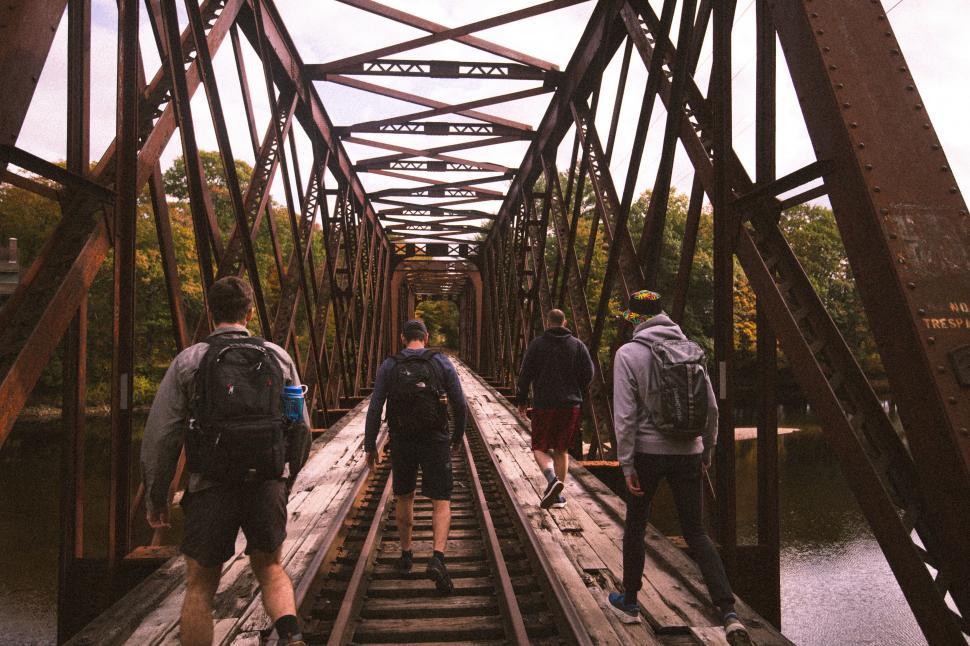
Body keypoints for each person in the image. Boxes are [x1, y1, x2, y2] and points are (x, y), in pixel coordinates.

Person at [141, 277, 311, 646]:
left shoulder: (190, 361)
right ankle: (292, 636)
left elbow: (161, 437)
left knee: (201, 585)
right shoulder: (277, 356)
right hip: (266, 480)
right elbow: (301, 426)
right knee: (271, 568)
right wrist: (285, 478)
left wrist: (156, 498)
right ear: (249, 312)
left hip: (210, 485)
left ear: (210, 312)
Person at [606, 290, 751, 645]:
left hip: (646, 454)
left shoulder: (629, 353)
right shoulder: (690, 348)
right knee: (696, 532)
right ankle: (729, 613)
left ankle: (630, 602)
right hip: (689, 451)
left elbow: (624, 415)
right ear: (662, 314)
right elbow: (712, 408)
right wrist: (708, 447)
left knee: (636, 525)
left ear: (636, 319)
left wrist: (626, 463)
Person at [364, 319, 467, 594]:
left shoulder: (390, 365)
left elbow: (375, 407)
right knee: (441, 499)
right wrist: (457, 436)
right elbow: (460, 403)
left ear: (402, 338)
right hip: (435, 438)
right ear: (426, 337)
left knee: (404, 495)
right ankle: (437, 557)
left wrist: (370, 445)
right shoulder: (441, 362)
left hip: (402, 439)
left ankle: (407, 554)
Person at [515, 309, 594, 509]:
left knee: (539, 447)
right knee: (561, 449)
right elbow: (589, 374)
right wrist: (575, 389)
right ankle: (558, 496)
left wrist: (521, 401)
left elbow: (525, 375)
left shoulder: (537, 345)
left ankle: (552, 481)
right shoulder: (577, 345)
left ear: (547, 322)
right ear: (564, 322)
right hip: (570, 405)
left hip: (544, 404)